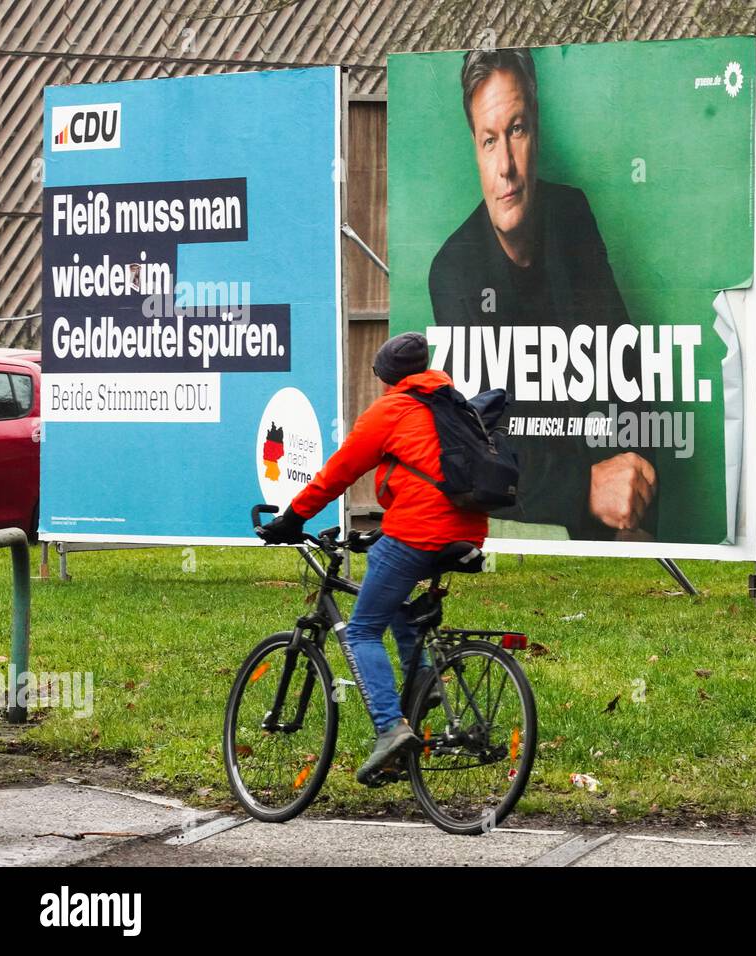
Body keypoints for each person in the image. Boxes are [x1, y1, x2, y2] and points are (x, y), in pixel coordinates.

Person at [428, 47, 658, 541]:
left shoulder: (571, 213)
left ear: (537, 129)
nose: (506, 166)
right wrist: (587, 487)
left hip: (606, 514)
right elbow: (476, 449)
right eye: (489, 141)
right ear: (474, 147)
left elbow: (627, 372)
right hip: (517, 527)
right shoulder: (454, 269)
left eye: (516, 130)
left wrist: (634, 487)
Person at [258, 332, 488, 783]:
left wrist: (292, 517)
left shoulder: (392, 409)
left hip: (420, 530)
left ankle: (390, 728)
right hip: (468, 530)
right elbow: (432, 478)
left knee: (362, 630)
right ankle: (422, 681)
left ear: (386, 378)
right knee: (396, 587)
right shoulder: (451, 404)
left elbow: (339, 471)